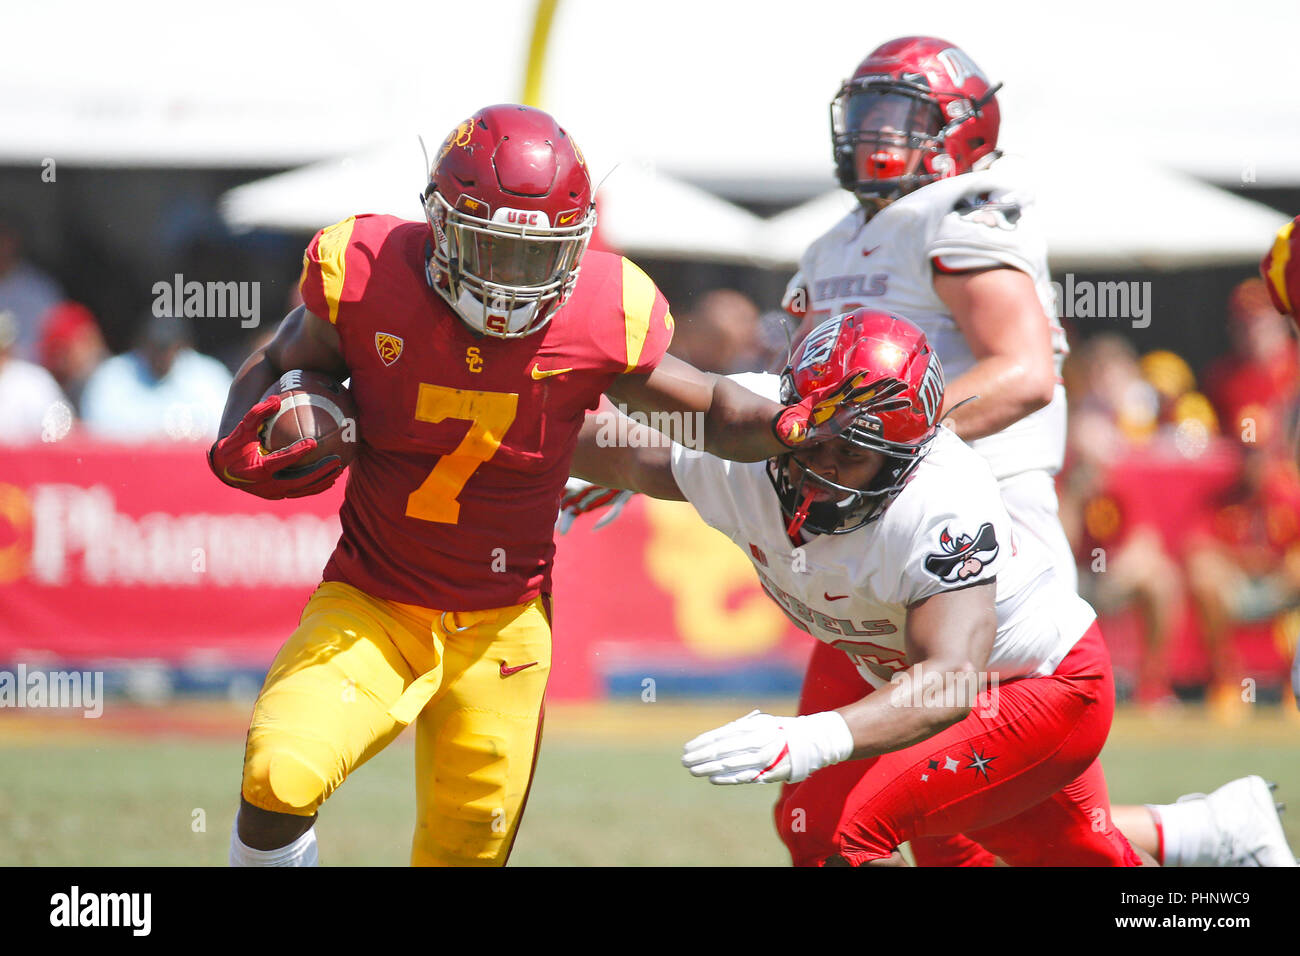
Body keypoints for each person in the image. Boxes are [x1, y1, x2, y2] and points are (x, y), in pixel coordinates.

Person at [209, 104, 873, 867]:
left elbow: (711, 411)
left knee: (467, 850)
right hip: (372, 599)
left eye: (536, 257)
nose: (509, 280)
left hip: (503, 625)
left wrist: (791, 425)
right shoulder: (366, 271)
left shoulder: (602, 309)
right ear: (440, 226)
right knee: (277, 776)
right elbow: (287, 356)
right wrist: (241, 431)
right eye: (490, 250)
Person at [777, 35, 1291, 867]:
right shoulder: (830, 243)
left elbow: (1020, 374)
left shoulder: (959, 211)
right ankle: (1205, 833)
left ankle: (1206, 847)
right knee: (829, 814)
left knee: (946, 828)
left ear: (964, 130)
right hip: (874, 541)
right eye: (867, 112)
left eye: (901, 116)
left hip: (974, 535)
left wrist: (875, 442)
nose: (877, 133)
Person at [573, 309, 1142, 866]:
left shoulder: (940, 502)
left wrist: (815, 738)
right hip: (897, 668)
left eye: (850, 453)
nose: (820, 468)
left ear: (900, 463)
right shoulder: (741, 443)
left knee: (834, 829)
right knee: (1071, 854)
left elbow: (949, 681)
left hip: (1036, 687)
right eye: (812, 440)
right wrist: (509, 448)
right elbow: (613, 448)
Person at [81, 313, 232, 441]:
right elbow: (98, 429)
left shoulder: (208, 376)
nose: (161, 354)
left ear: (181, 345)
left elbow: (224, 428)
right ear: (142, 342)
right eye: (156, 345)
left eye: (167, 347)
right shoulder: (113, 376)